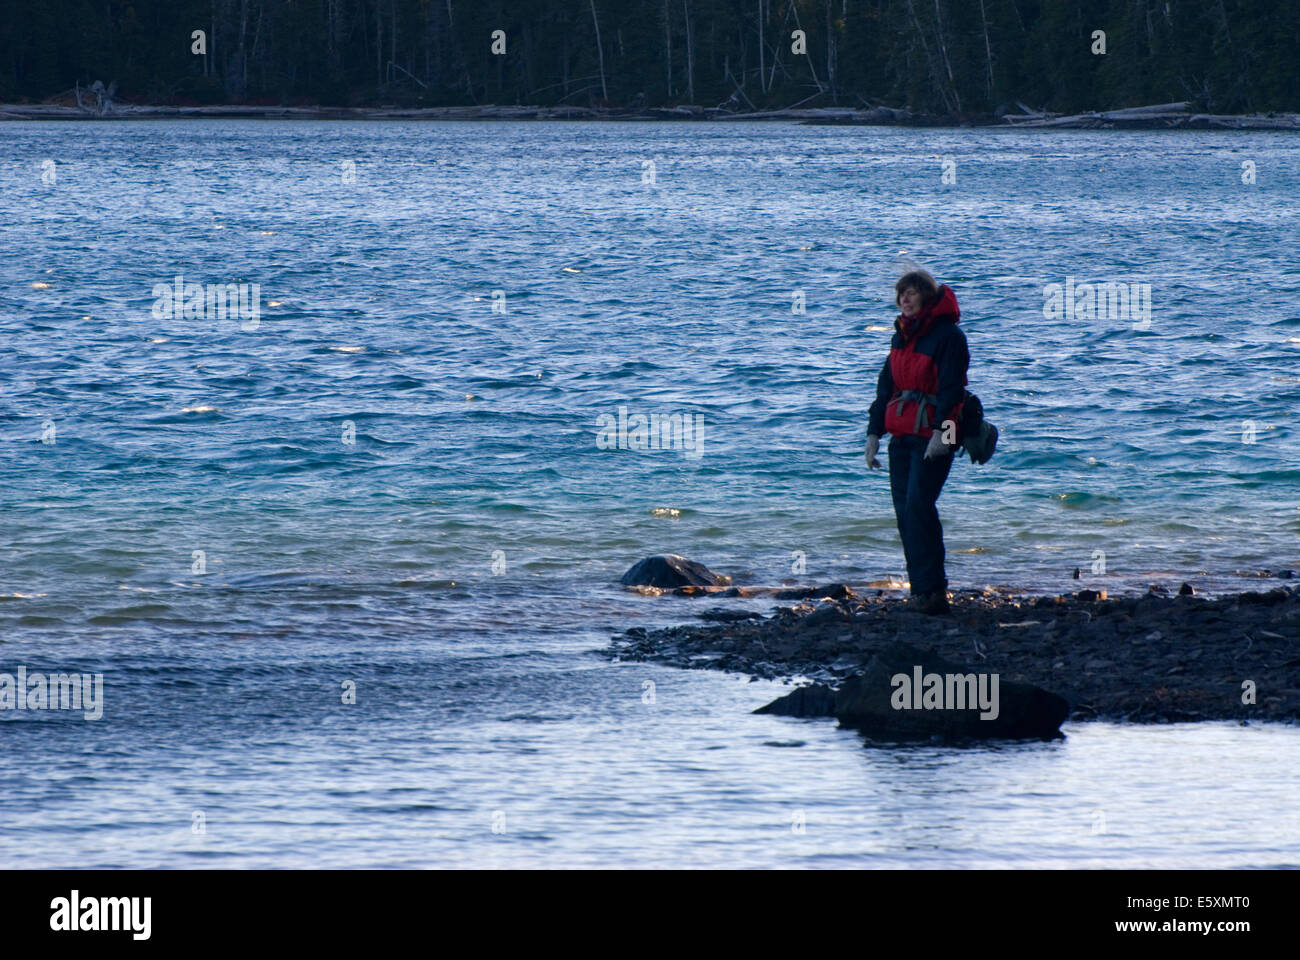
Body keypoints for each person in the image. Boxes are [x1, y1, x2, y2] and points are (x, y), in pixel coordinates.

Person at [865, 270, 969, 615]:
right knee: (905, 514)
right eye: (901, 294)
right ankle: (921, 591)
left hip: (936, 436)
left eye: (911, 293)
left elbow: (953, 392)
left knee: (918, 507)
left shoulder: (949, 337)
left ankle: (933, 592)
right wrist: (873, 434)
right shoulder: (901, 336)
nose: (905, 299)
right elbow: (886, 387)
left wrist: (944, 435)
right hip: (902, 438)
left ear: (927, 297)